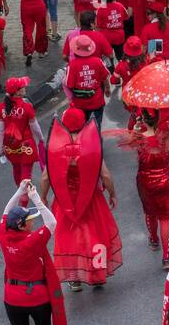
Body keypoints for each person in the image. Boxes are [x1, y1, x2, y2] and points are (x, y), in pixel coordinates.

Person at [41, 107, 122, 291]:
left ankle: (74, 278)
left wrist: (44, 197)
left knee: (69, 237)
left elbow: (46, 177)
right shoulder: (90, 145)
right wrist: (112, 193)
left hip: (65, 200)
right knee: (94, 234)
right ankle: (97, 274)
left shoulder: (56, 147)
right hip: (91, 199)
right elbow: (106, 175)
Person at [0, 180, 66, 325]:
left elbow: (5, 211)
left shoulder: (4, 235)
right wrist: (35, 197)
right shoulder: (32, 240)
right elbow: (52, 223)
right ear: (22, 225)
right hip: (37, 296)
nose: (32, 222)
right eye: (29, 220)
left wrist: (19, 191)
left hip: (12, 296)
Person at [130, 108, 169, 269]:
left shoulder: (137, 137)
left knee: (150, 212)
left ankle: (153, 240)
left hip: (145, 181)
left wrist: (135, 129)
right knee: (165, 218)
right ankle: (167, 258)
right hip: (166, 180)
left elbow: (134, 154)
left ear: (143, 119)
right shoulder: (166, 136)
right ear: (159, 117)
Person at [0, 75, 46, 185]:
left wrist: (1, 149)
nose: (25, 87)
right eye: (22, 86)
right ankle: (23, 199)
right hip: (26, 146)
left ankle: (20, 193)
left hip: (10, 147)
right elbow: (35, 127)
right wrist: (41, 139)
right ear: (17, 92)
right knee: (26, 175)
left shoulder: (1, 107)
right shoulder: (27, 106)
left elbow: (1, 131)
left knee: (17, 170)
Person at [65, 33, 109, 132]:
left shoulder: (72, 65)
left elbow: (69, 85)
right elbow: (105, 77)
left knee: (82, 127)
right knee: (97, 125)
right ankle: (97, 142)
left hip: (80, 103)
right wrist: (107, 88)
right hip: (97, 100)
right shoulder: (98, 61)